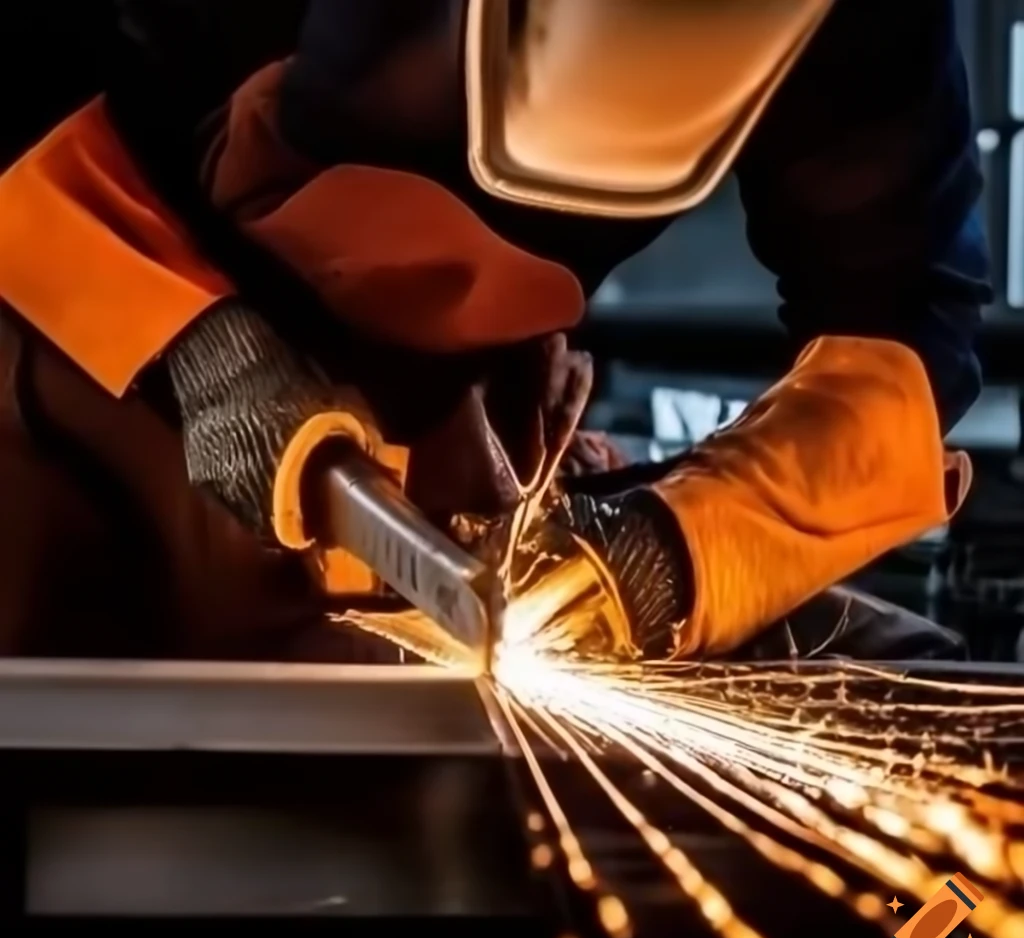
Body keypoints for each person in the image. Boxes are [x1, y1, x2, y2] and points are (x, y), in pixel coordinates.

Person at [0, 0, 988, 662]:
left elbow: (900, 322)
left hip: (466, 423)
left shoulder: (863, 27)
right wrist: (193, 341)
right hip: (102, 351)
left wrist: (683, 548)